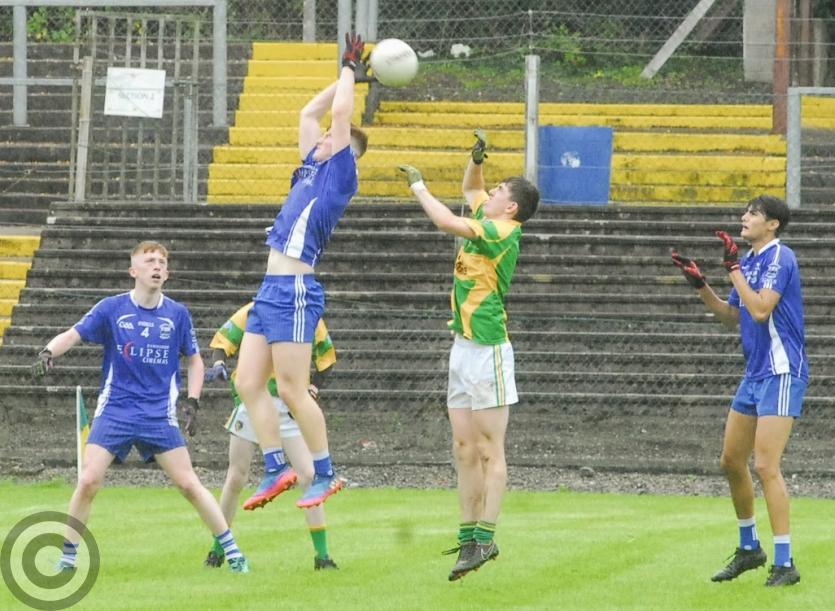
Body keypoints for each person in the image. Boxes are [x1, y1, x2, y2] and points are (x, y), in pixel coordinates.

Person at [31, 241, 249, 573]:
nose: (157, 266)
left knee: (189, 484)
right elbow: (73, 334)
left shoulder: (177, 314)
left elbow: (194, 358)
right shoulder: (111, 309)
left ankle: (233, 553)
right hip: (115, 410)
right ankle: (68, 558)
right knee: (89, 480)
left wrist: (192, 400)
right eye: (149, 261)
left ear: (168, 272)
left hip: (157, 414)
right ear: (134, 271)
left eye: (162, 261)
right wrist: (48, 352)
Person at [233, 32, 370, 512]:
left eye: (334, 139)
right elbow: (309, 114)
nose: (324, 138)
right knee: (248, 382)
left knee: (291, 387)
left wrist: (351, 73)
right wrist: (343, 74)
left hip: (295, 289)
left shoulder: (339, 176)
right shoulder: (310, 168)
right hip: (270, 289)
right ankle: (277, 467)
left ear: (346, 152)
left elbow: (337, 118)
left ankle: (326, 472)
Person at [398, 129, 540, 581]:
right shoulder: (490, 211)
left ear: (511, 206)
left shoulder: (502, 230)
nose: (492, 192)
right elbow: (471, 189)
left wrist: (419, 186)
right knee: (463, 447)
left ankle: (487, 536)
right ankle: (467, 538)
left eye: (500, 190)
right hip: (462, 347)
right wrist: (475, 159)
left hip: (489, 352)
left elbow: (447, 221)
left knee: (488, 448)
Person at [671, 195, 807, 587]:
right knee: (731, 461)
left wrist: (732, 268)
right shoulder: (747, 262)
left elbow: (761, 309)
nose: (743, 218)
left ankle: (785, 562)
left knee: (766, 466)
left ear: (774, 225)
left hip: (782, 371)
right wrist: (701, 286)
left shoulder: (781, 258)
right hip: (755, 374)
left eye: (753, 214)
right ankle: (750, 549)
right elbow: (733, 316)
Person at [203, 302, 339, 571]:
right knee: (236, 477)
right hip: (253, 403)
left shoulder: (307, 314)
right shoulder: (256, 308)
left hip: (287, 406)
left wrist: (312, 387)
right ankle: (218, 548)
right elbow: (223, 341)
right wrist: (219, 362)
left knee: (309, 476)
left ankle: (322, 556)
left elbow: (326, 359)